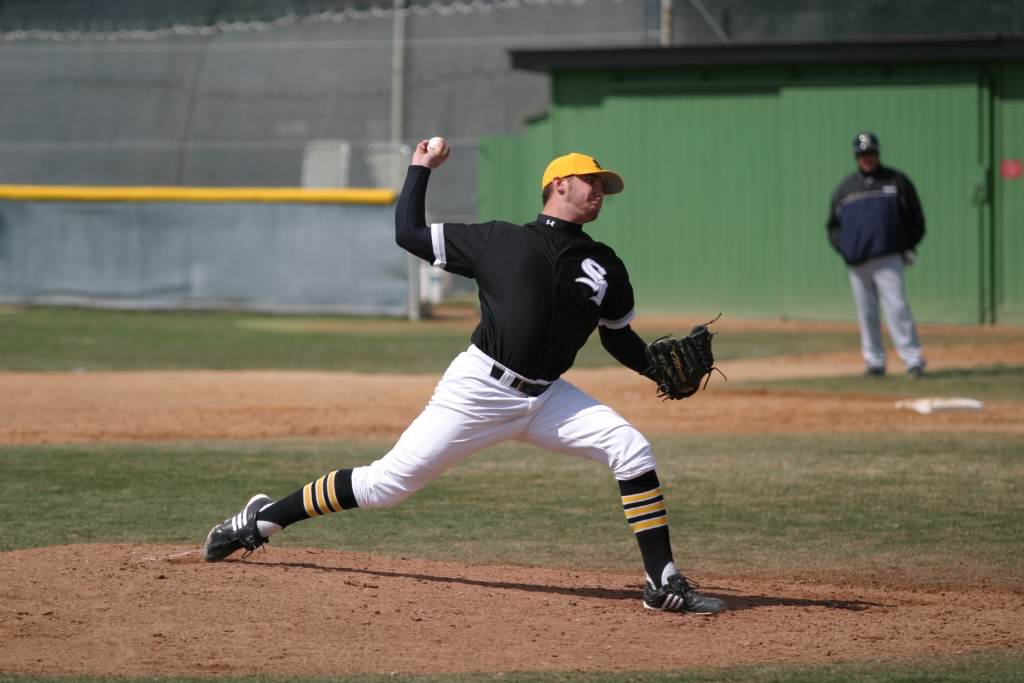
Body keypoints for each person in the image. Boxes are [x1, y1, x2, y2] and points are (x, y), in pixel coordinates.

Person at [202, 143, 726, 615]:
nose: (600, 193)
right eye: (592, 182)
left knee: (631, 449)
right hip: (480, 391)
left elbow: (617, 337)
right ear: (559, 185)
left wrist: (654, 367)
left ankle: (662, 582)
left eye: (603, 187)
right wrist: (419, 168)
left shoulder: (604, 264)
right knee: (385, 485)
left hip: (548, 399)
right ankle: (260, 521)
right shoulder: (498, 240)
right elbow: (408, 233)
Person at [827, 132, 926, 379]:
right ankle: (874, 362)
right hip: (857, 262)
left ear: (877, 153)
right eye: (862, 154)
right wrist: (844, 247)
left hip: (887, 257)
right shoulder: (846, 188)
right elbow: (833, 226)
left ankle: (913, 361)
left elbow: (916, 219)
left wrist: (904, 245)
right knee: (867, 312)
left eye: (870, 152)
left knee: (898, 309)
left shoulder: (896, 181)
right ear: (856, 156)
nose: (867, 157)